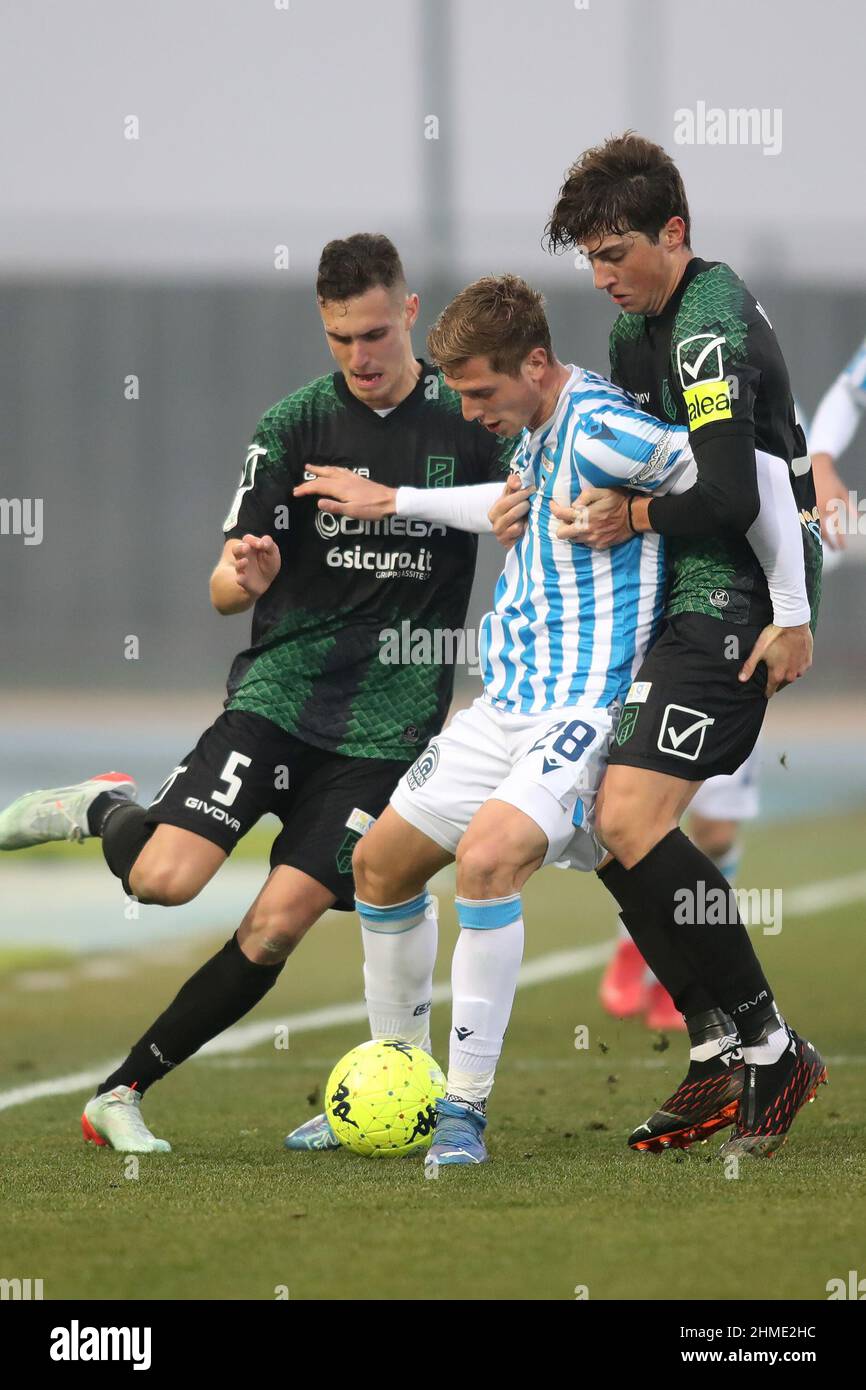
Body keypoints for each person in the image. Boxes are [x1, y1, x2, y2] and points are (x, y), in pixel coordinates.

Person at [0, 233, 514, 1154]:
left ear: (407, 314)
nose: (359, 357)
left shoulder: (466, 420)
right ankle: (102, 807)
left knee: (279, 923)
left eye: (372, 334)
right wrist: (252, 569)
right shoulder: (293, 427)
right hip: (278, 697)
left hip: (387, 730)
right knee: (162, 880)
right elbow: (222, 590)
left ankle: (120, 1093)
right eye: (338, 339)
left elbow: (519, 505)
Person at [283, 273, 814, 1164]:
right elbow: (500, 507)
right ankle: (398, 1082)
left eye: (484, 392)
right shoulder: (535, 434)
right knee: (376, 865)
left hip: (581, 710)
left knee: (489, 863)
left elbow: (747, 478)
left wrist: (791, 610)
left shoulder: (603, 426)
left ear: (536, 363)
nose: (474, 411)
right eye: (461, 395)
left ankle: (462, 1108)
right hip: (504, 708)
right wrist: (396, 501)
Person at [526, 131, 826, 1157]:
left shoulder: (702, 326)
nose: (602, 275)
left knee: (629, 815)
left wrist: (790, 613)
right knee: (606, 825)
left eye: (616, 253)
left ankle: (772, 1050)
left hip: (740, 594)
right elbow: (670, 469)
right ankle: (714, 1049)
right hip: (685, 595)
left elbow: (746, 488)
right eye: (588, 258)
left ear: (674, 233)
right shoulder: (631, 336)